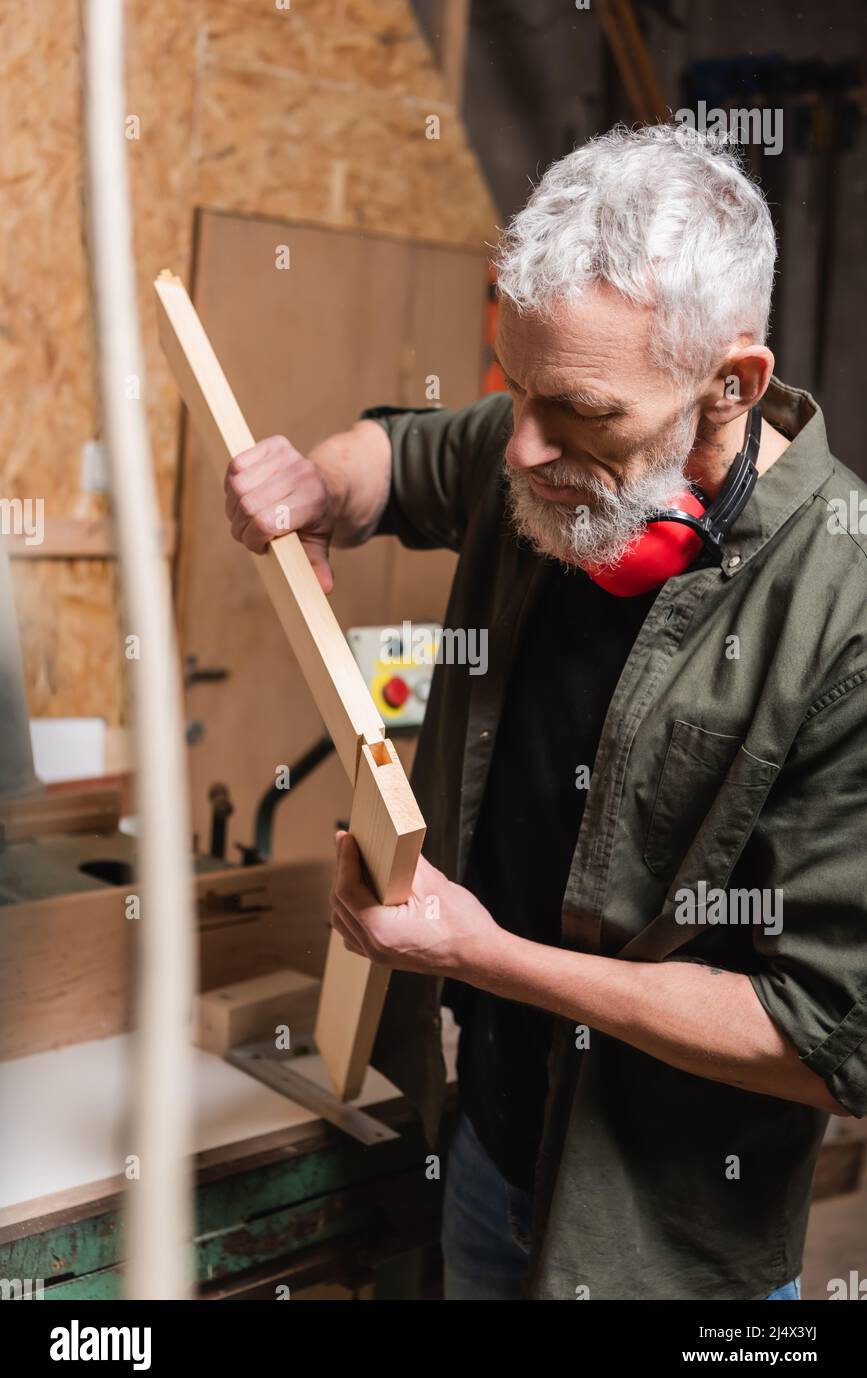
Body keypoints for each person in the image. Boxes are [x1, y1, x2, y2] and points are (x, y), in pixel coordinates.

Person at [223, 125, 866, 1300]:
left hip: (665, 1253)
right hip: (487, 1152)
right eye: (510, 383)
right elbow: (394, 457)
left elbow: (827, 1039)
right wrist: (316, 484)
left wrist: (490, 958)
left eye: (572, 409)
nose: (520, 441)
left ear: (732, 386)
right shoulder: (547, 444)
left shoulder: (844, 615)